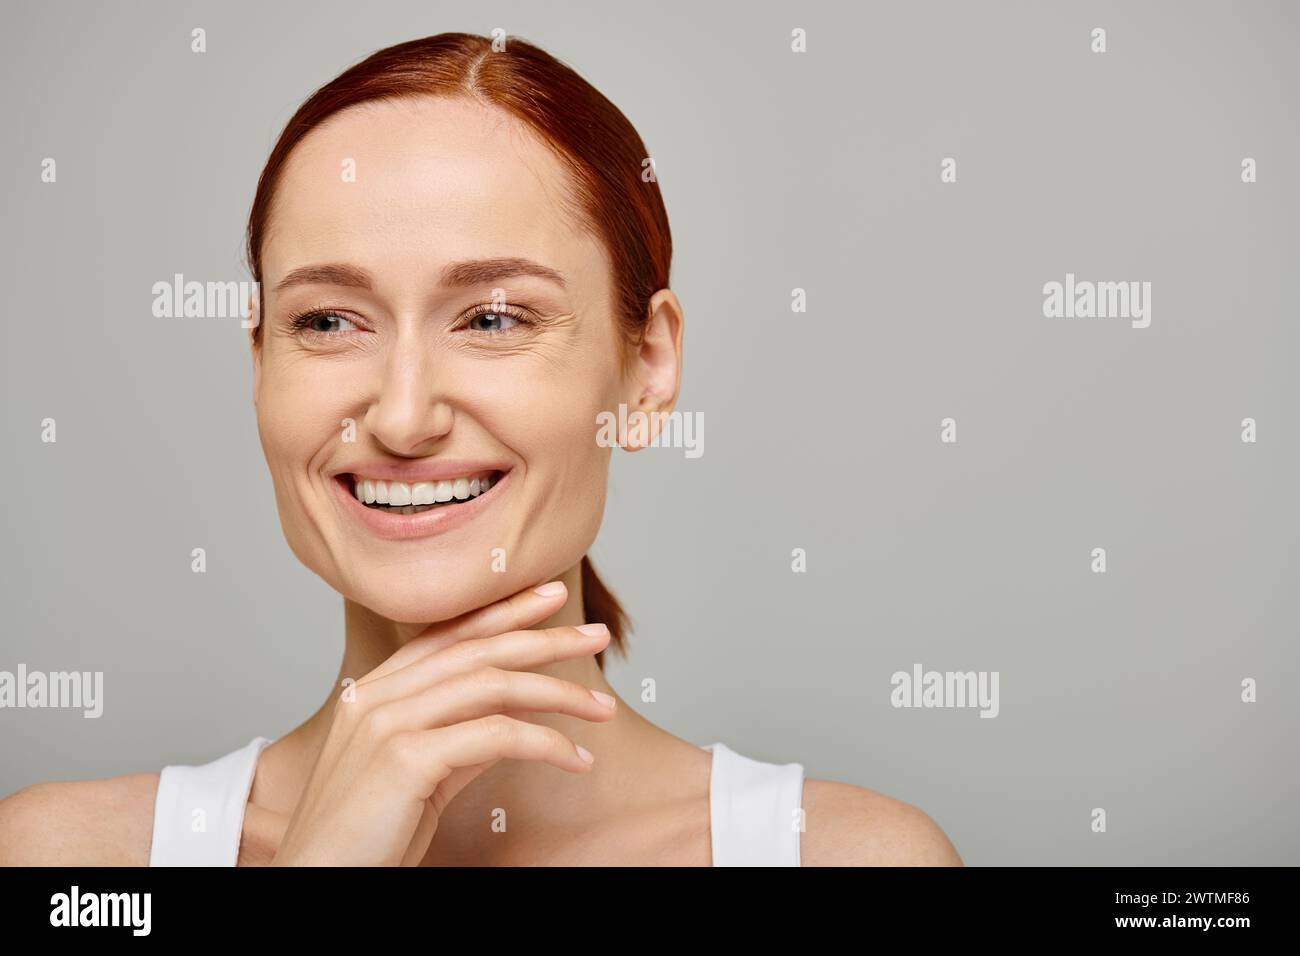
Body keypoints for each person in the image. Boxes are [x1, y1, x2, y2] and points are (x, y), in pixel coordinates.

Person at [0, 32, 962, 867]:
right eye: (329, 321)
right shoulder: (70, 860)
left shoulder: (847, 857)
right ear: (259, 363)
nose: (404, 416)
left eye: (494, 317)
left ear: (648, 369)